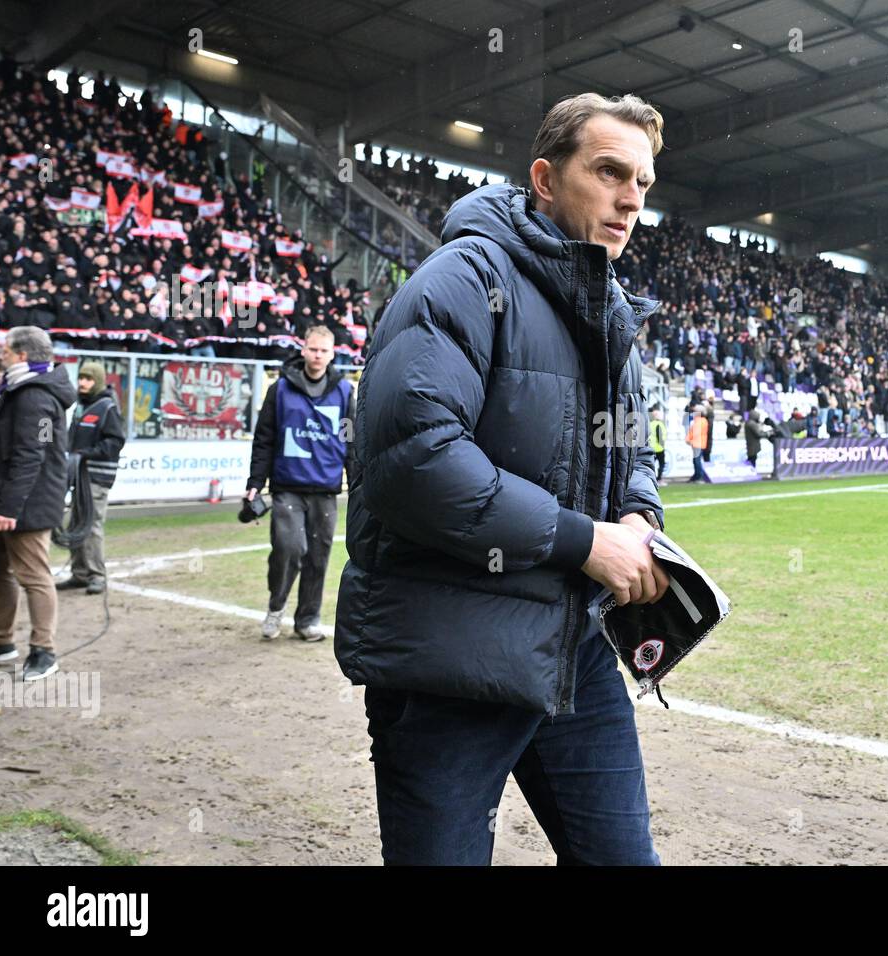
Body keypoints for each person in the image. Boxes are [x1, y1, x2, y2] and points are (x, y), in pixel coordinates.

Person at [335, 92, 670, 866]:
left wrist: (639, 517)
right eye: (611, 171)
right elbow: (414, 460)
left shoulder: (608, 307)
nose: (630, 198)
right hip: (453, 652)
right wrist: (585, 542)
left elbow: (632, 449)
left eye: (643, 183)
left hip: (571, 647)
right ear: (546, 179)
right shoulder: (459, 279)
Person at [245, 325, 355, 642]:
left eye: (324, 350)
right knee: (289, 548)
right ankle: (276, 606)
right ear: (303, 349)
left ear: (332, 354)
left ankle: (307, 619)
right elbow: (264, 440)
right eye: (313, 349)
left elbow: (351, 442)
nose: (318, 355)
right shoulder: (279, 390)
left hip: (326, 489)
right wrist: (255, 482)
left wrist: (358, 482)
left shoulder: (345, 392)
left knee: (318, 558)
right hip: (287, 487)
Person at [0, 327, 76, 682]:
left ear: (22, 355)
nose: (1, 353)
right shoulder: (17, 390)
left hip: (27, 504)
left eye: (6, 349)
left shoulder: (35, 397)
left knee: (34, 576)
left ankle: (44, 651)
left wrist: (10, 508)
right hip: (11, 499)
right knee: (1, 572)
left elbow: (33, 456)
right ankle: (2, 642)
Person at [57, 362, 126, 595]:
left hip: (97, 476)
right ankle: (79, 573)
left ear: (97, 380)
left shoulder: (106, 407)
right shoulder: (79, 407)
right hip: (79, 475)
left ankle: (97, 575)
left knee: (92, 525)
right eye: (81, 378)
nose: (83, 383)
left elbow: (116, 442)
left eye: (88, 379)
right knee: (76, 523)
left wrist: (86, 454)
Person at [686, 403, 709, 482]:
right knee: (696, 460)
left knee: (697, 460)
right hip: (697, 443)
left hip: (698, 443)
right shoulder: (699, 420)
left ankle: (699, 476)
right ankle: (697, 475)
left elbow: (695, 433)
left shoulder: (700, 421)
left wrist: (689, 439)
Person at [648, 405, 666, 481]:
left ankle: (652, 478)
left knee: (651, 465)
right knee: (661, 464)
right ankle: (659, 479)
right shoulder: (658, 424)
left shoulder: (650, 423)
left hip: (651, 447)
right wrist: (662, 445)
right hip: (659, 448)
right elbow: (660, 436)